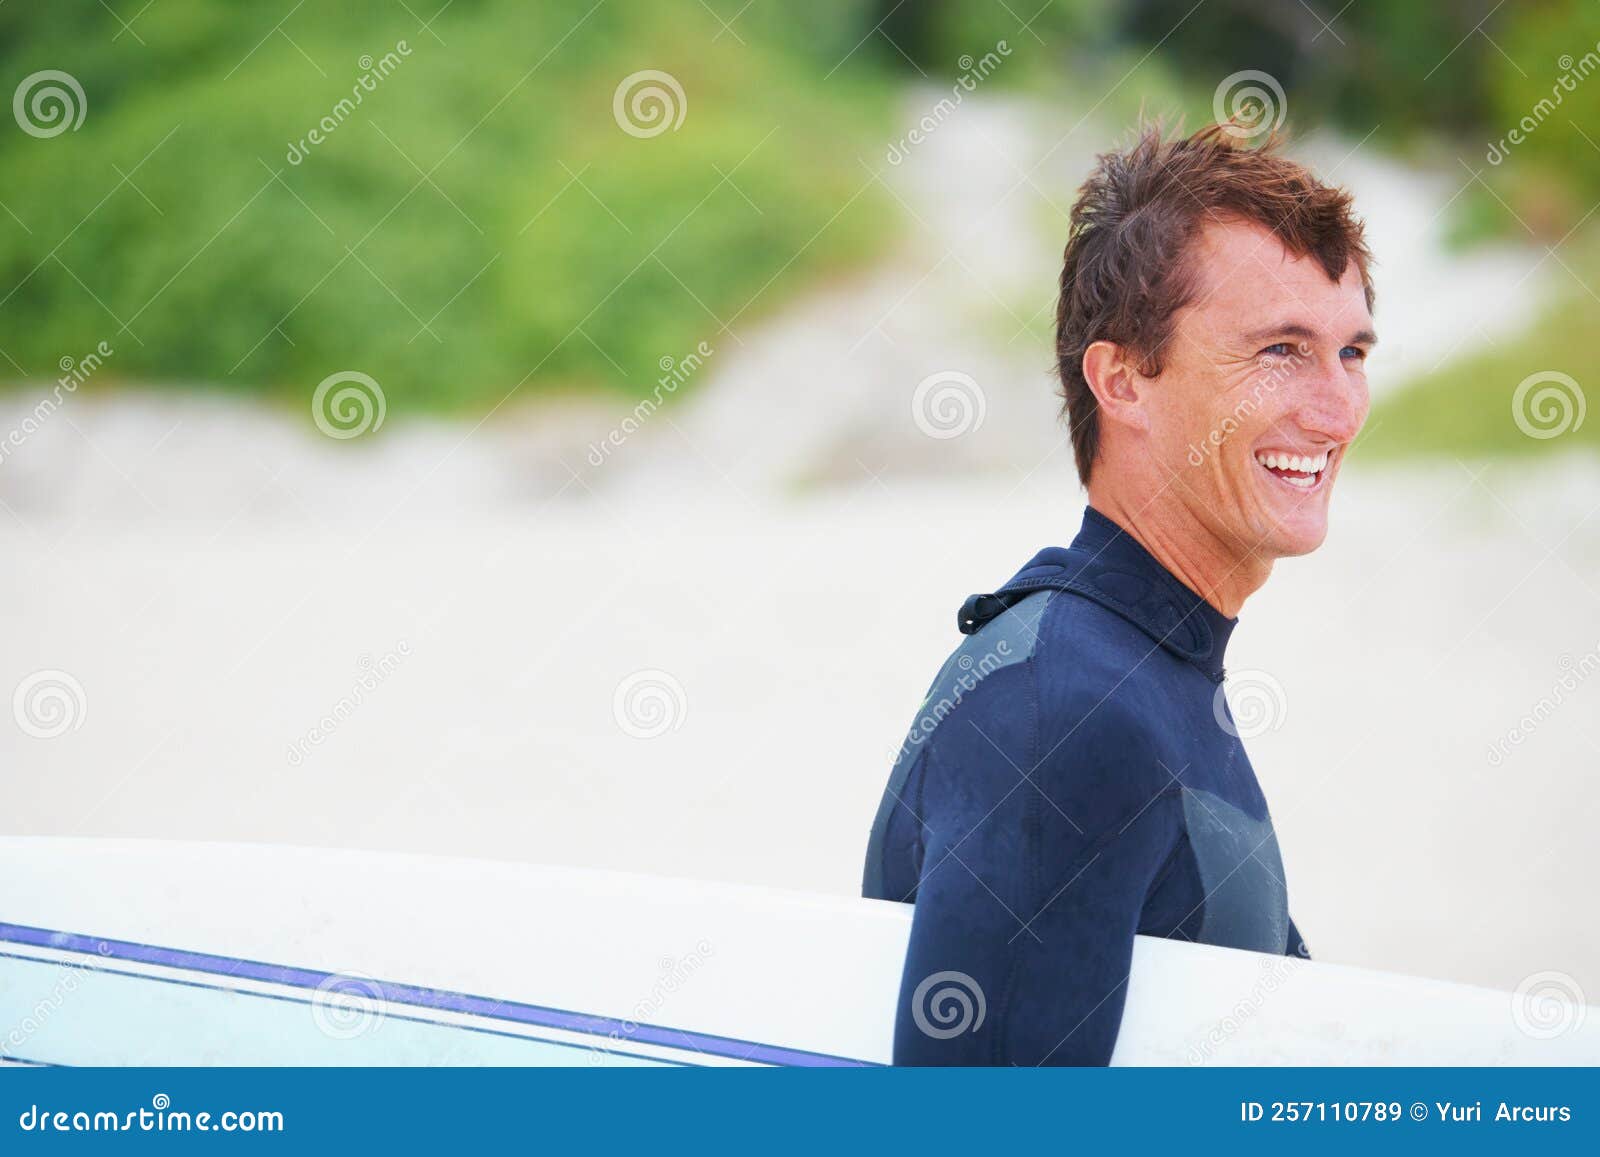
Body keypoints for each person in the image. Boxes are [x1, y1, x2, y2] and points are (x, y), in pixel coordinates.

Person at [862, 122, 1376, 1066]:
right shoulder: (1062, 712)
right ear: (1124, 380)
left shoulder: (1141, 674)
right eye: (1279, 351)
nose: (1339, 409)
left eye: (1351, 352)